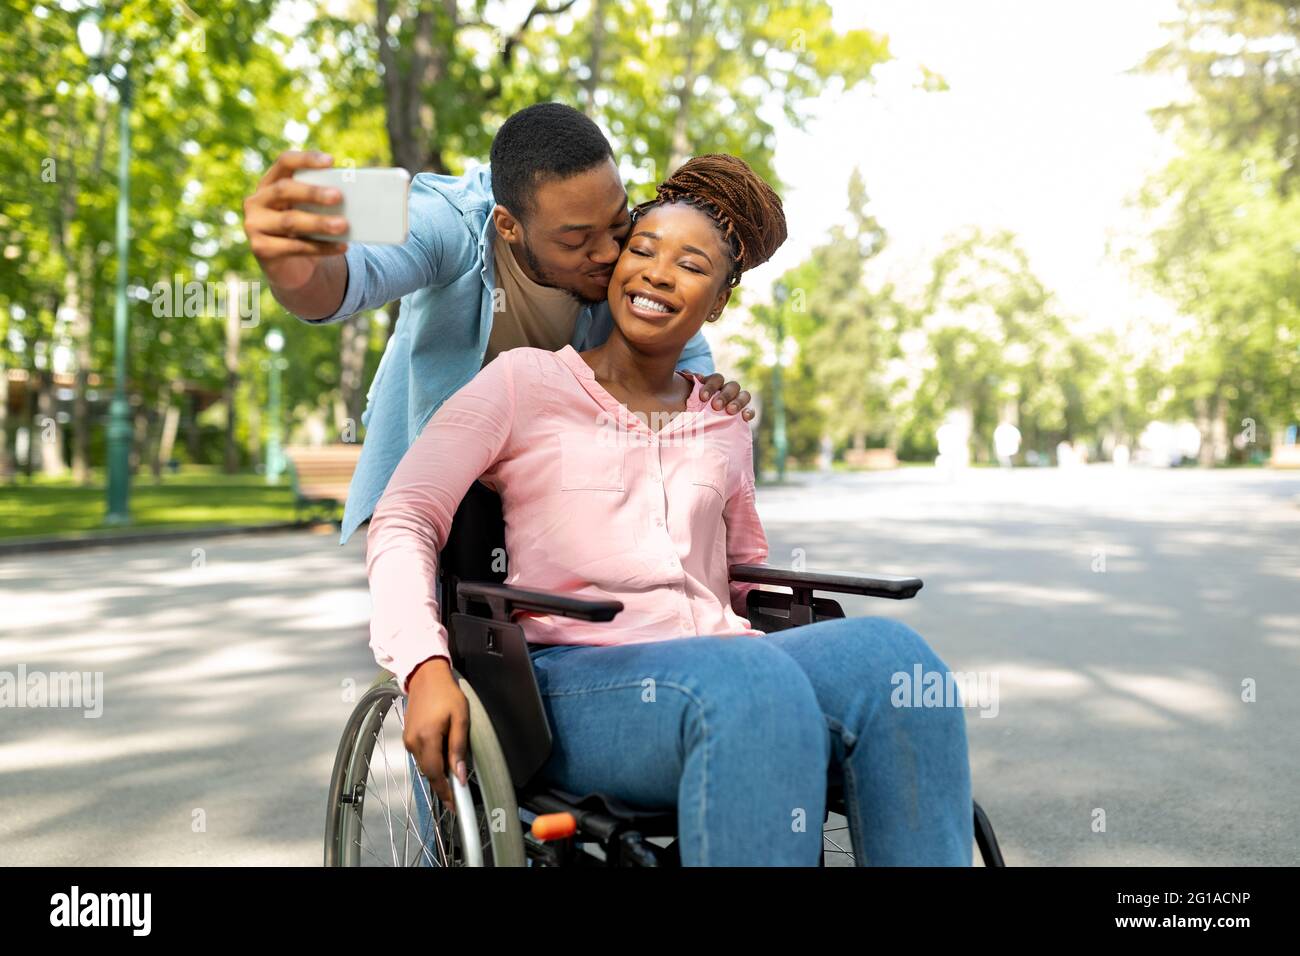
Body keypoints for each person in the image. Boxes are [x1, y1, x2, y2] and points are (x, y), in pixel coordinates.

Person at [367, 154, 974, 866]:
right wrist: (423, 666)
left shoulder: (722, 419)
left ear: (716, 302)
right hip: (574, 683)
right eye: (644, 249)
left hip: (731, 662)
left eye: (690, 264)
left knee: (898, 664)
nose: (657, 272)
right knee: (753, 684)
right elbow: (405, 516)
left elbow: (742, 578)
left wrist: (782, 619)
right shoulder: (523, 383)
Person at [241, 103, 754, 544]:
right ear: (509, 226)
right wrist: (295, 269)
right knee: (429, 641)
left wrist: (708, 393)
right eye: (575, 241)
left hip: (545, 498)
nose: (608, 253)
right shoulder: (452, 223)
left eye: (619, 225)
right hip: (437, 492)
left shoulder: (621, 246)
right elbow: (352, 278)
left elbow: (678, 353)